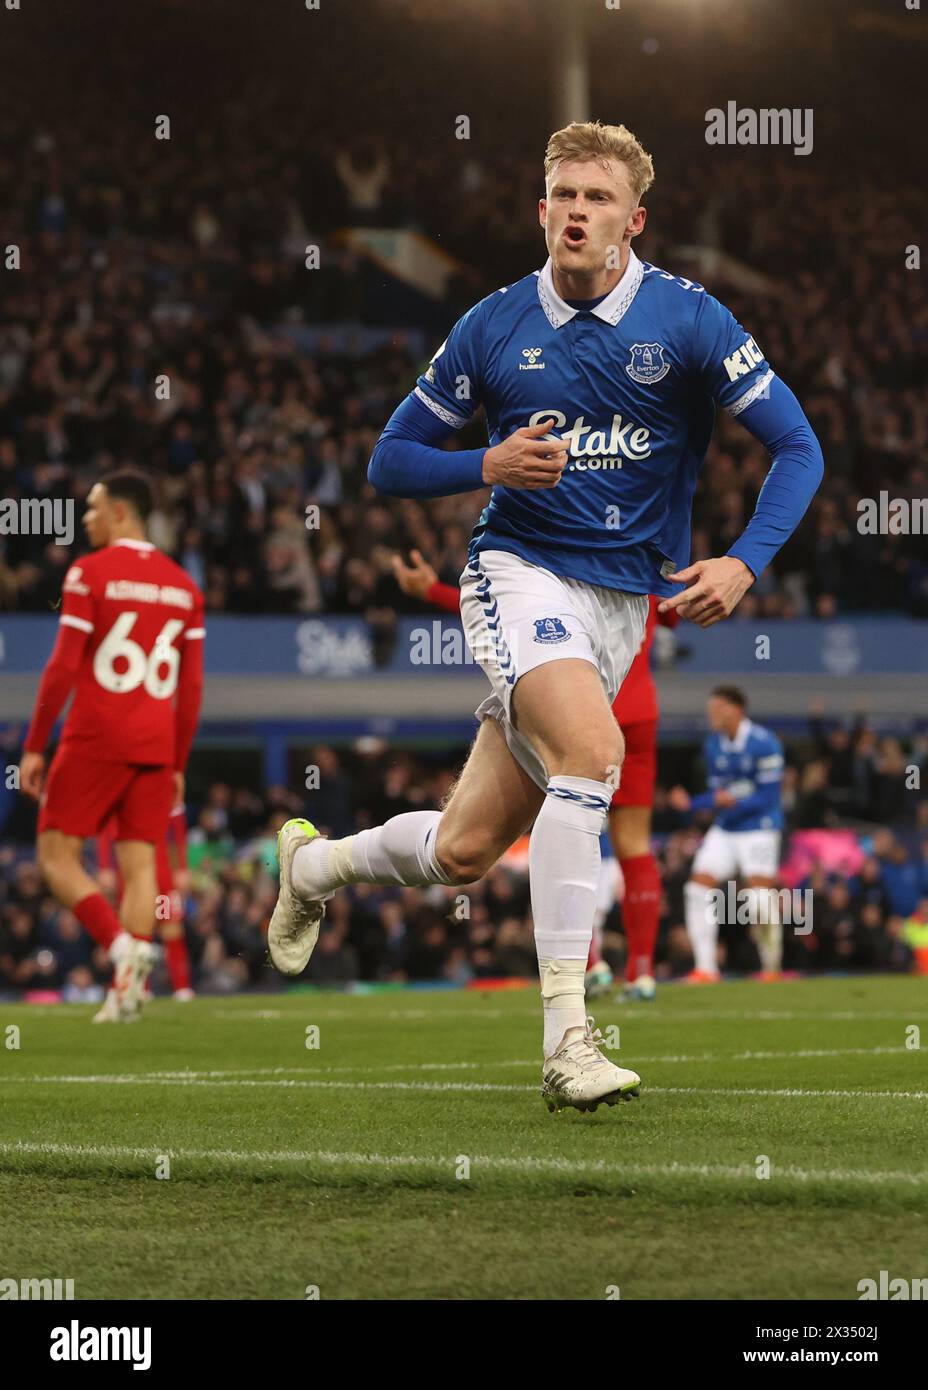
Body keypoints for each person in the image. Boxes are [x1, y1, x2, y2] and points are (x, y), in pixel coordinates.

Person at [268, 120, 823, 1114]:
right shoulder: (491, 325)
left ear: (633, 220)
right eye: (562, 194)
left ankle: (312, 865)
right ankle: (569, 1035)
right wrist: (484, 463)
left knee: (463, 851)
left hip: (621, 606)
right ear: (541, 210)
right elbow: (388, 459)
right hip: (517, 571)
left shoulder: (690, 320)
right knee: (593, 754)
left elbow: (799, 447)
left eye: (597, 198)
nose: (576, 210)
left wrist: (744, 565)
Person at [390, 550, 675, 1002]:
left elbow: (503, 606)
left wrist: (431, 591)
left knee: (571, 831)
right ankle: (641, 972)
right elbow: (674, 608)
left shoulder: (568, 558)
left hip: (583, 709)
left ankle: (591, 964)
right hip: (641, 711)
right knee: (634, 849)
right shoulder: (648, 549)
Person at [19, 471, 205, 1021]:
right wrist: (178, 761)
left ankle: (123, 948)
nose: (85, 519)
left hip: (97, 735)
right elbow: (190, 689)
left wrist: (34, 745)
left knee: (55, 857)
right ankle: (128, 993)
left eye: (94, 509)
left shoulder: (88, 573)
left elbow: (62, 667)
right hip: (155, 742)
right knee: (140, 862)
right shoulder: (184, 587)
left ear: (122, 513)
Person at [670, 687, 785, 982]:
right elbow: (718, 795)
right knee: (696, 889)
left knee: (758, 898)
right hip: (726, 827)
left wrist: (736, 803)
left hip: (759, 826)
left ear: (736, 709)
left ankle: (771, 968)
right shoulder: (713, 745)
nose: (712, 713)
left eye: (718, 707)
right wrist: (691, 804)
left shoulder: (765, 742)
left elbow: (770, 796)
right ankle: (706, 969)